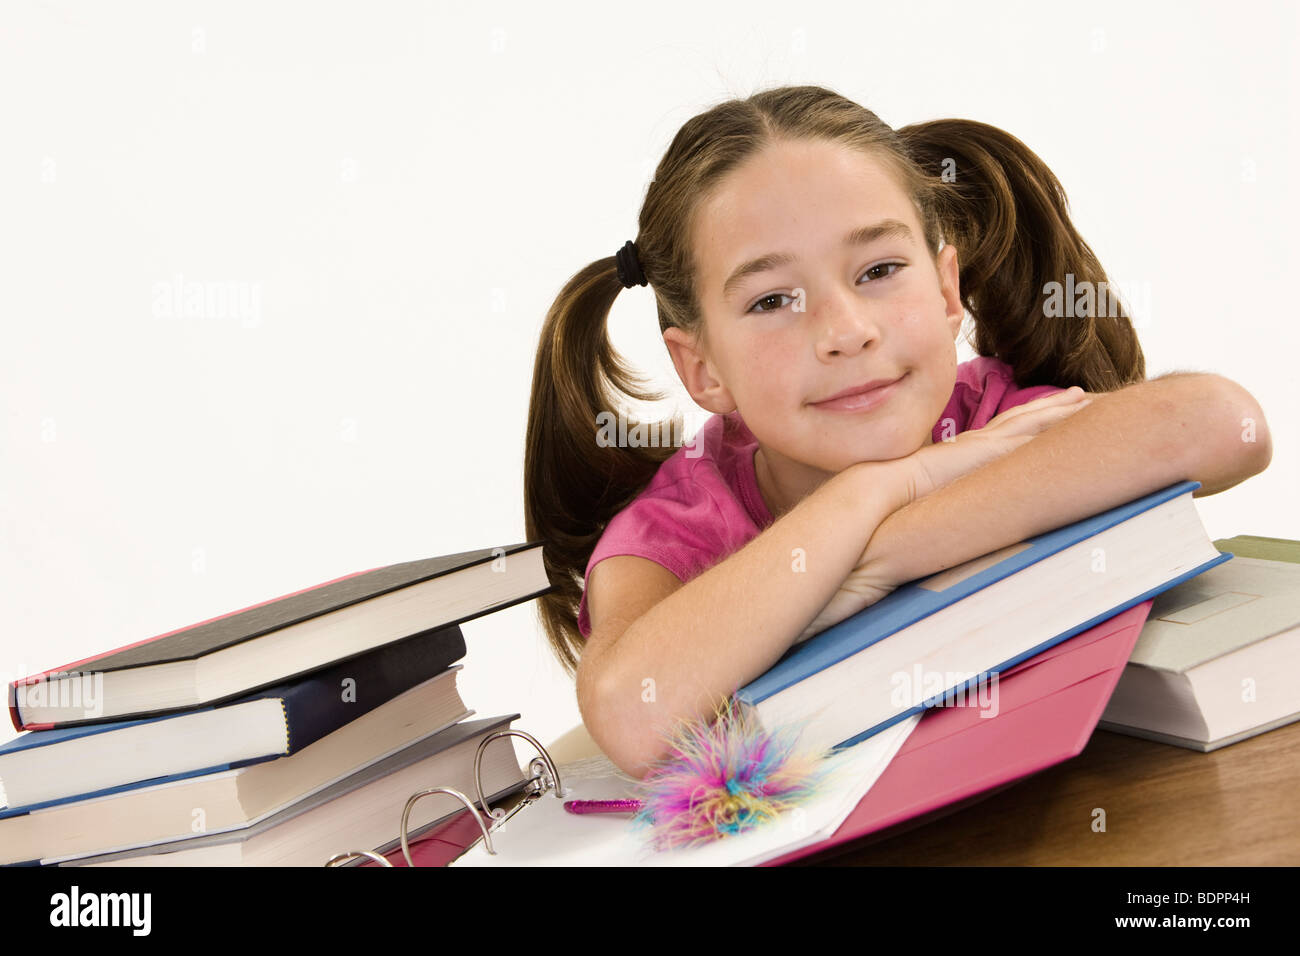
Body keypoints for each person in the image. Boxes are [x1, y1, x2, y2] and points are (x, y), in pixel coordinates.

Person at [522, 85, 1271, 779]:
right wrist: (879, 487)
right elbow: (631, 714)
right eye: (773, 299)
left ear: (948, 290)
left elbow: (1223, 425)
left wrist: (872, 561)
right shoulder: (674, 529)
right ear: (703, 366)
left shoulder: (998, 421)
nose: (846, 332)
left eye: (878, 269)